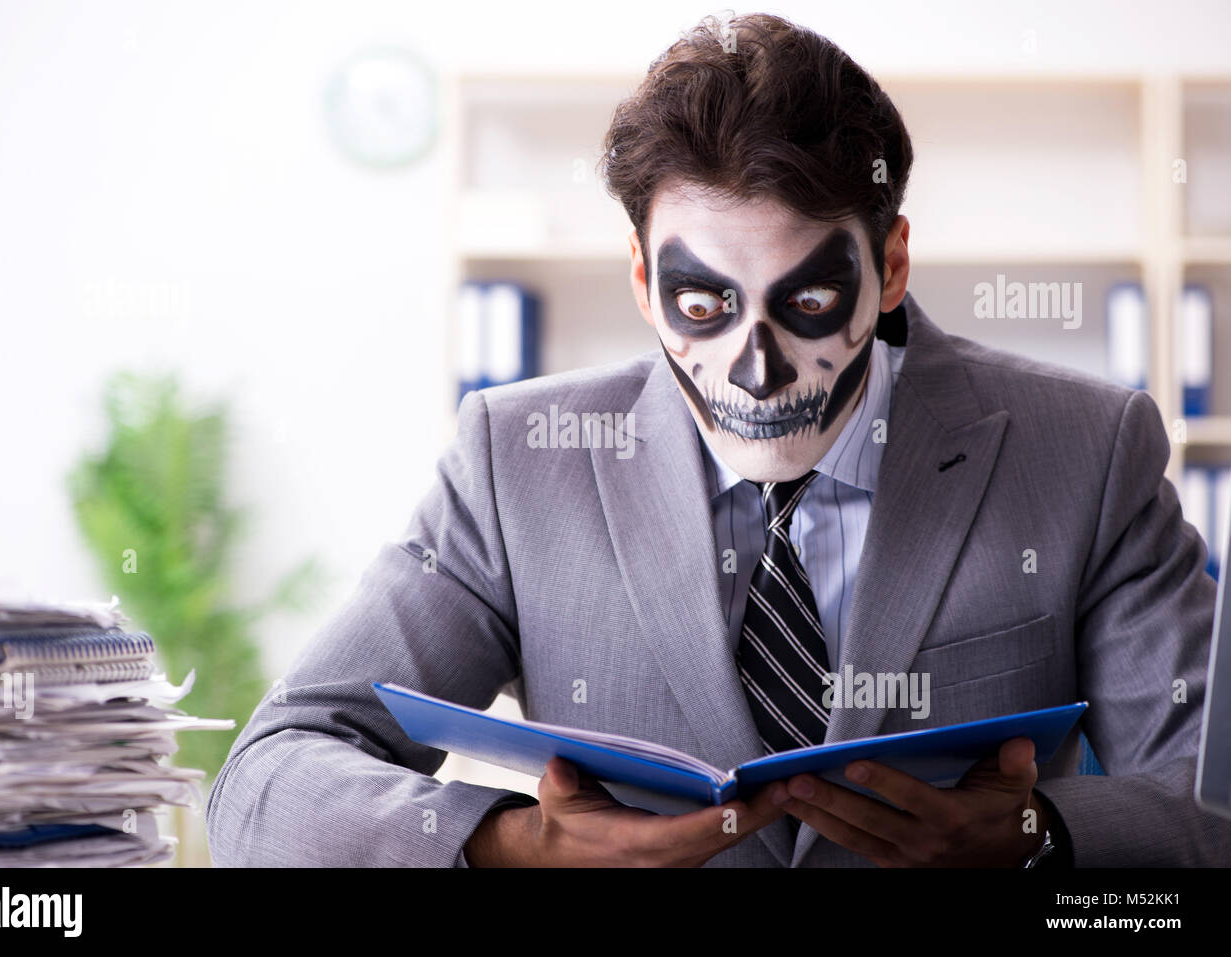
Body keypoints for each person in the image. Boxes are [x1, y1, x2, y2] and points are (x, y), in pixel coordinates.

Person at [206, 13, 1231, 867]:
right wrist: (513, 846)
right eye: (703, 303)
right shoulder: (514, 465)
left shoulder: (1086, 450)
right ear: (644, 284)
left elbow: (1210, 802)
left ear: (892, 265)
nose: (755, 369)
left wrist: (1035, 828)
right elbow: (264, 782)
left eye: (811, 299)